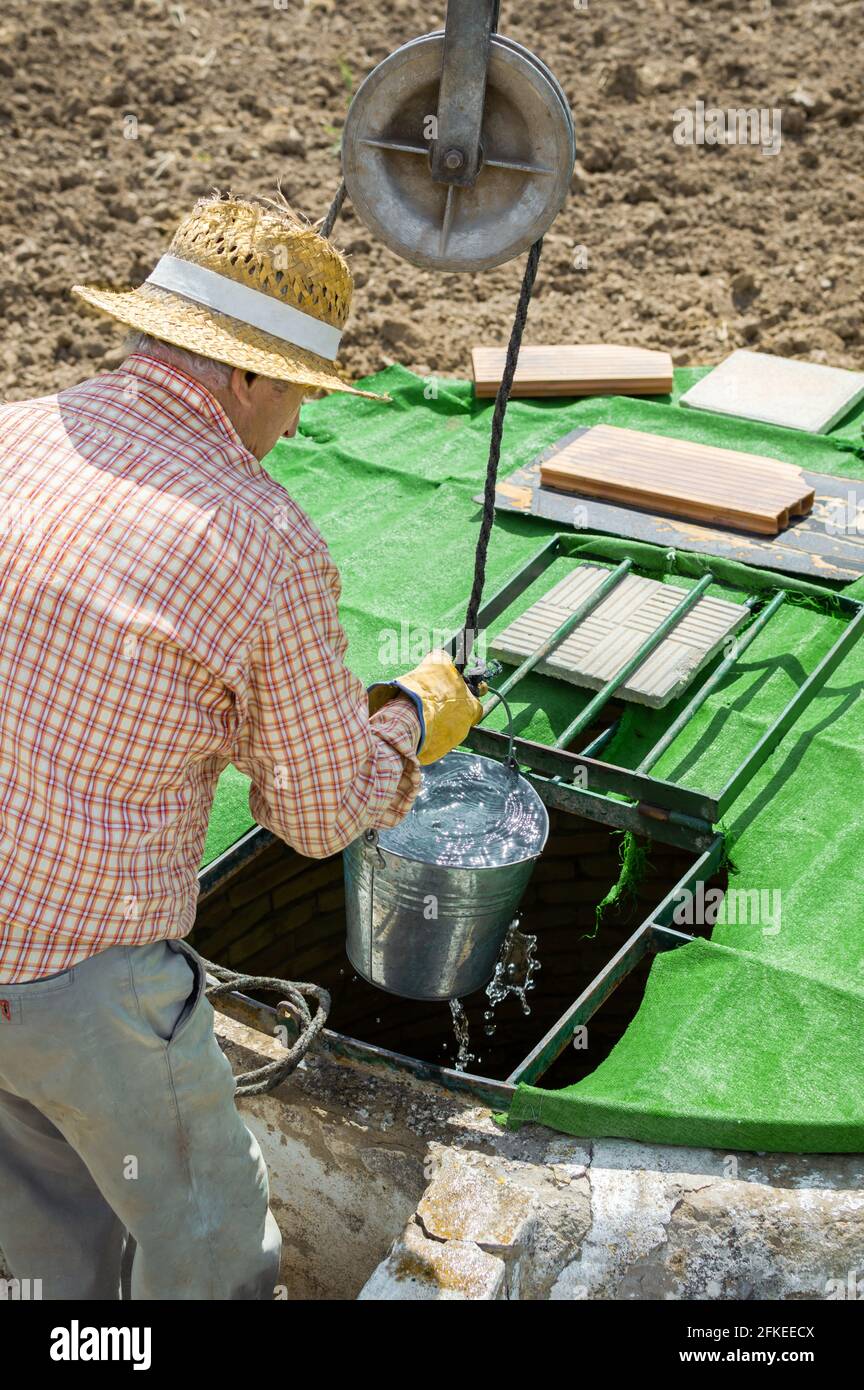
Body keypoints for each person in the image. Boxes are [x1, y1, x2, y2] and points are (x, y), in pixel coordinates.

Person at [0, 193, 482, 1299]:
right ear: (248, 377)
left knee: (46, 1241)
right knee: (210, 1248)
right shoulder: (262, 540)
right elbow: (316, 819)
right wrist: (409, 721)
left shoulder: (16, 429)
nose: (300, 426)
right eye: (301, 394)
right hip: (90, 990)